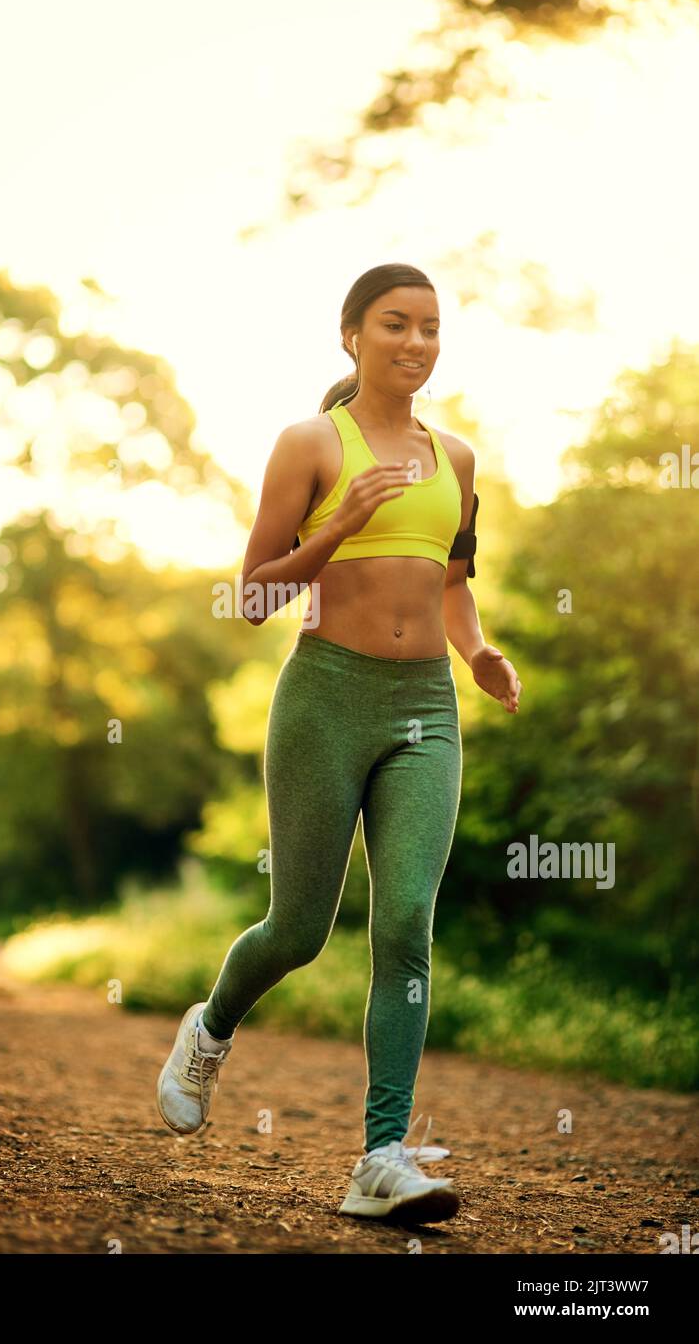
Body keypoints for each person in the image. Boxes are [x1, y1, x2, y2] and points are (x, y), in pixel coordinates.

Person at [157, 262, 522, 1224]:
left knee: (405, 925)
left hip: (426, 709)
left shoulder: (459, 460)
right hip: (324, 698)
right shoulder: (310, 444)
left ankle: (381, 1157)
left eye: (431, 328)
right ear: (351, 335)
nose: (416, 343)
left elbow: (450, 582)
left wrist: (477, 650)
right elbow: (253, 599)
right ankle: (211, 1026)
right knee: (300, 930)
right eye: (396, 324)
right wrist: (340, 523)